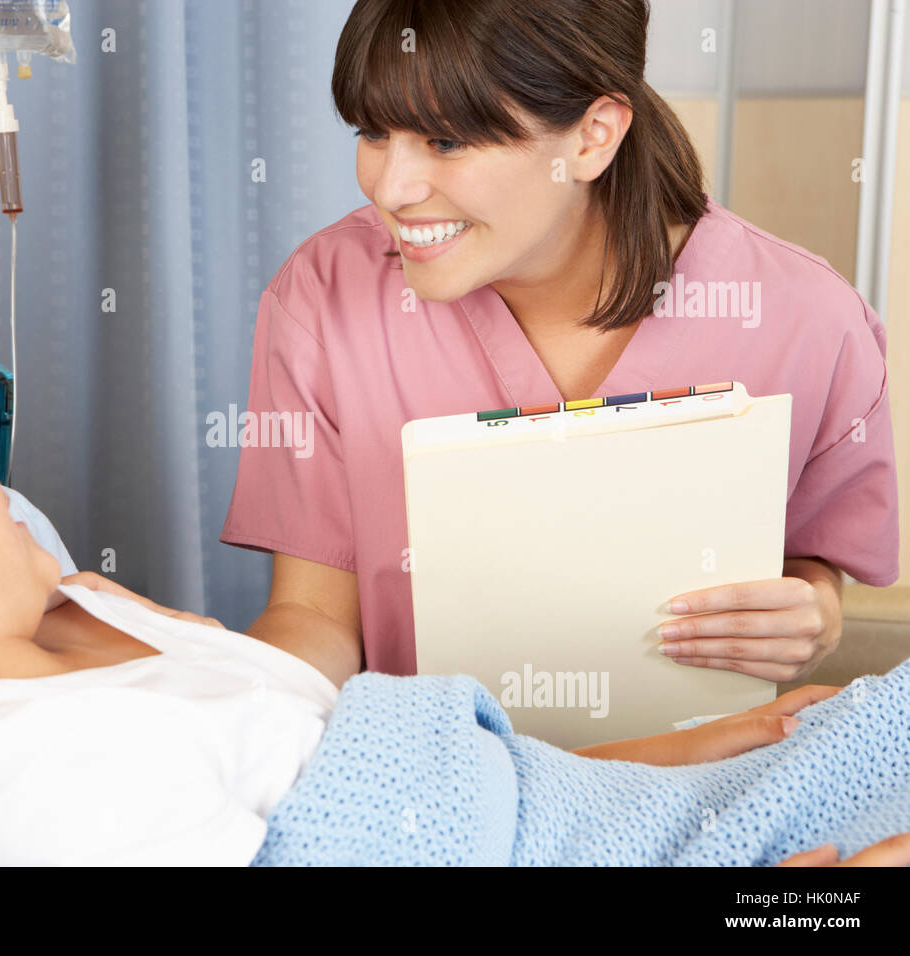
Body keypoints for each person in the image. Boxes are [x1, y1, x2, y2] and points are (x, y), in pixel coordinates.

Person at [0, 315, 906, 866]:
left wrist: (666, 754)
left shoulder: (86, 623)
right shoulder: (30, 780)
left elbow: (346, 758)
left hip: (572, 803)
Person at [222, 0, 898, 686]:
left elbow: (813, 564)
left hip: (697, 780)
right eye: (373, 132)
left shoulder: (806, 320)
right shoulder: (326, 292)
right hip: (441, 779)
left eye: (446, 142)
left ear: (592, 136)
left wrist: (814, 613)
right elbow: (313, 618)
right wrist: (215, 680)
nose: (391, 189)